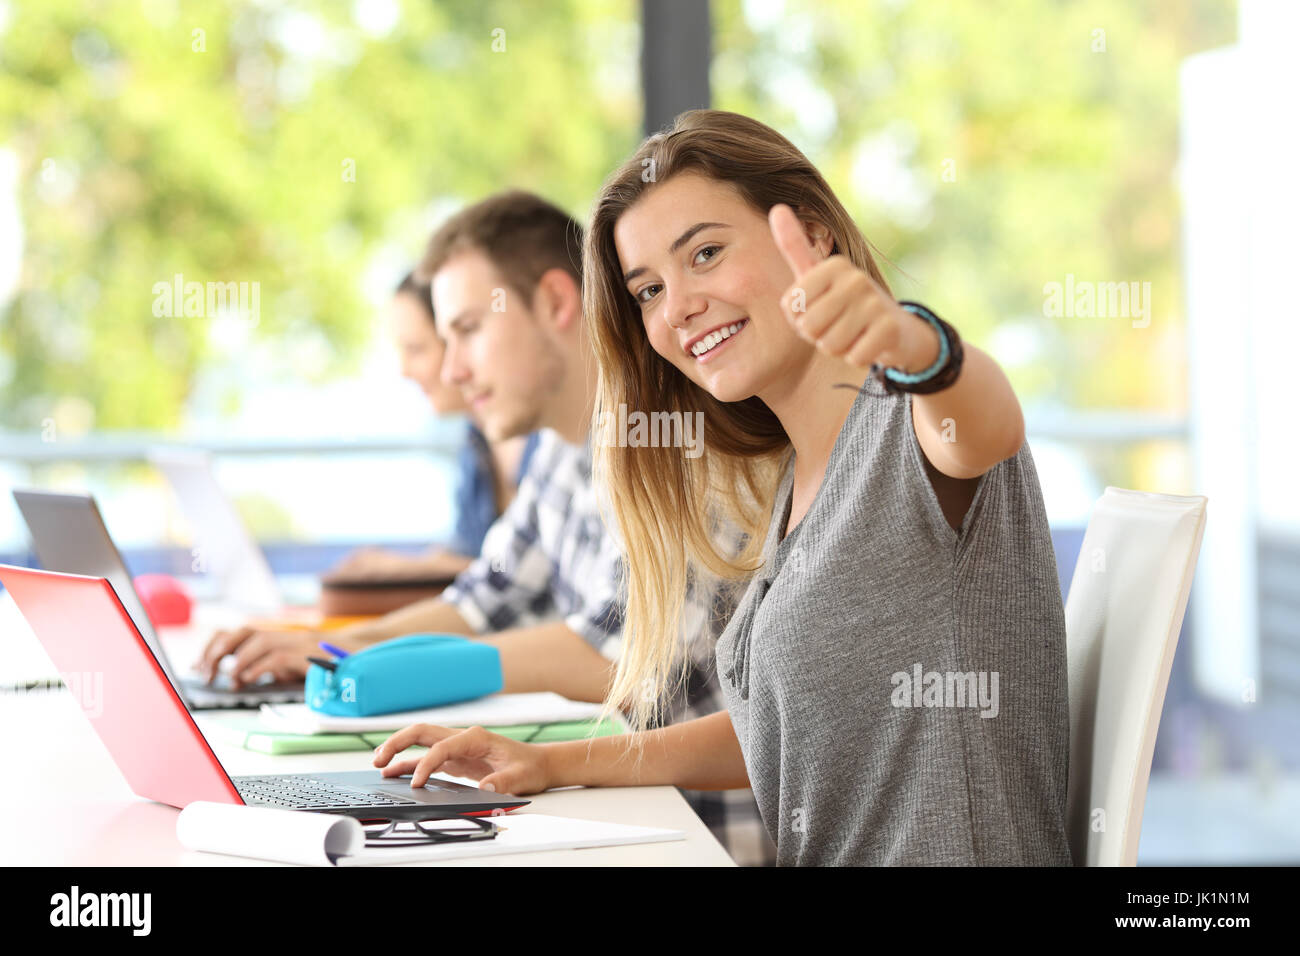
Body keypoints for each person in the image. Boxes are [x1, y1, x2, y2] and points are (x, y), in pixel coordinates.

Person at [370, 111, 1072, 866]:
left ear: (812, 232)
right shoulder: (793, 482)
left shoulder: (908, 422)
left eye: (705, 253)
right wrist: (551, 763)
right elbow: (770, 730)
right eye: (647, 291)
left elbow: (987, 425)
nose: (677, 307)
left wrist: (918, 344)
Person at [200, 190, 777, 867]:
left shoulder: (679, 446)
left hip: (700, 841)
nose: (451, 371)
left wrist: (387, 671)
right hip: (624, 815)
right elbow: (478, 602)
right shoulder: (566, 448)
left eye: (469, 329)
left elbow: (620, 660)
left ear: (558, 304)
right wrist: (336, 649)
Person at [326, 271, 538, 582]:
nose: (404, 371)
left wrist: (414, 568)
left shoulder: (555, 440)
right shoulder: (476, 444)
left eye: (416, 349)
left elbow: (534, 576)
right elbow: (472, 558)